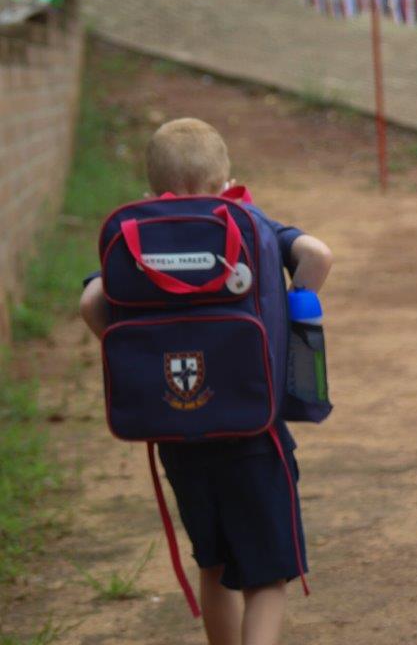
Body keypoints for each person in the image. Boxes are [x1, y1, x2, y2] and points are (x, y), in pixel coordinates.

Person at [80, 118, 333, 645]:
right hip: (252, 428)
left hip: (177, 429)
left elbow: (91, 303)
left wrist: (139, 358)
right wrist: (290, 311)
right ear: (226, 183)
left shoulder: (136, 239)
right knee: (267, 577)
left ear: (150, 191)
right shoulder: (250, 222)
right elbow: (318, 254)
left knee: (214, 564)